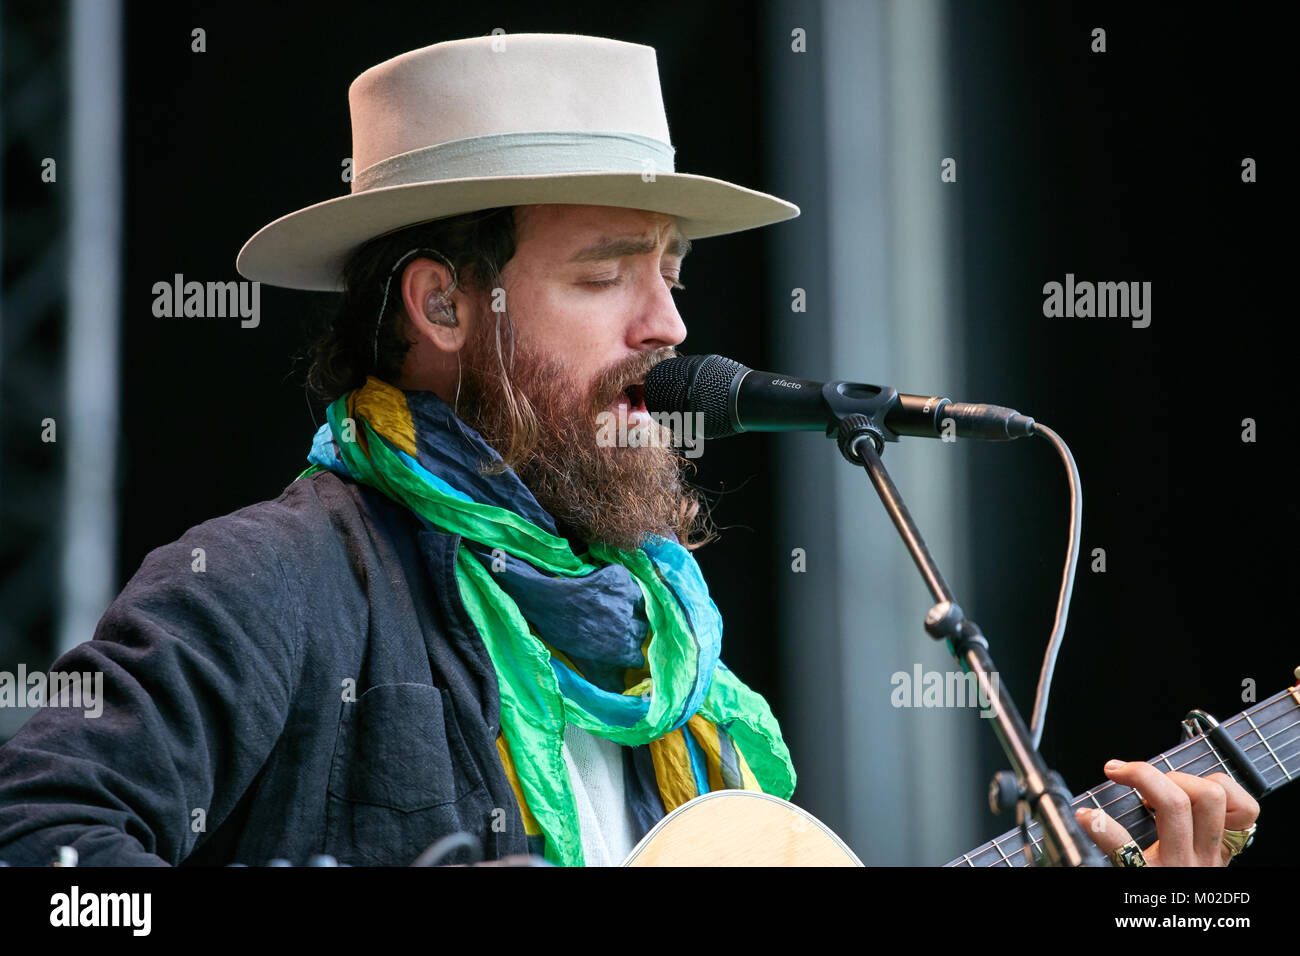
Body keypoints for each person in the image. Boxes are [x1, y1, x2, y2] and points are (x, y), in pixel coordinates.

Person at [0, 33, 1257, 867]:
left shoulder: (677, 669)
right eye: (608, 274)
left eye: (670, 271)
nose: (669, 327)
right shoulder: (276, 581)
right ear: (444, 307)